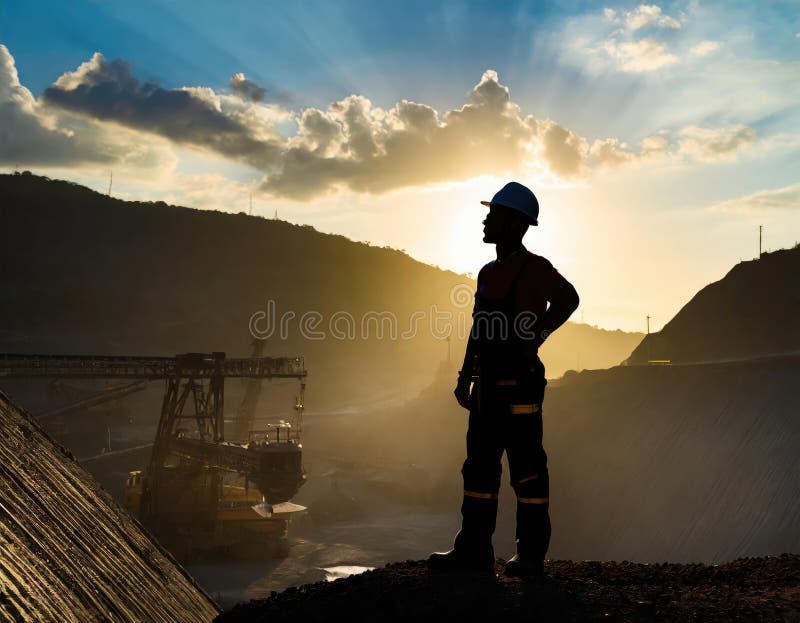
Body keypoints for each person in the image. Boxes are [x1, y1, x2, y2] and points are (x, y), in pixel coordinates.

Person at [428, 181, 579, 578]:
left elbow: (569, 299)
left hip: (521, 389)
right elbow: (479, 328)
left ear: (513, 224)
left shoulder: (535, 269)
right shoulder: (487, 273)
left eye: (493, 214)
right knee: (478, 470)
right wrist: (466, 375)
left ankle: (530, 556)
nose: (485, 219)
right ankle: (474, 551)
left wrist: (536, 336)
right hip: (488, 389)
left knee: (527, 472)